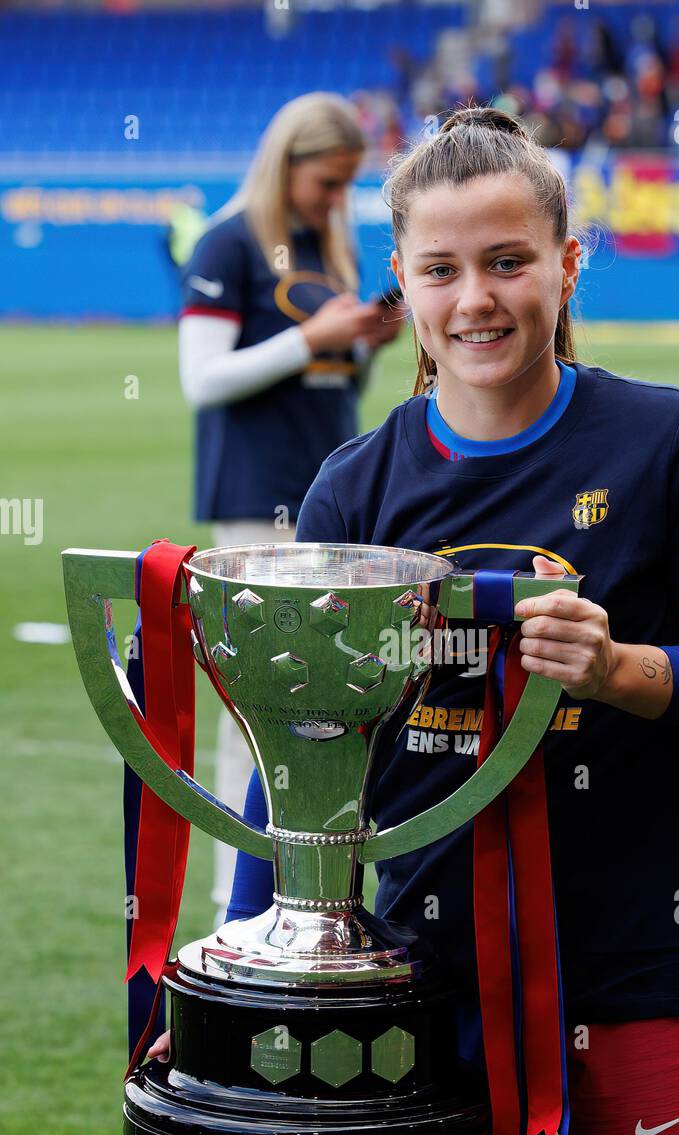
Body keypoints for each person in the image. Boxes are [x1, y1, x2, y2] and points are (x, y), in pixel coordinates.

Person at [152, 105, 679, 1135]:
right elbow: (298, 743)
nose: (476, 300)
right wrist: (245, 955)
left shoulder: (664, 440)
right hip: (425, 968)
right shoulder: (355, 484)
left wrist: (620, 669)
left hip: (635, 951)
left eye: (508, 261)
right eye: (441, 269)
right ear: (398, 280)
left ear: (566, 262)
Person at [177, 92, 402, 924]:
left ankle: (319, 889)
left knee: (335, 701)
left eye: (346, 185)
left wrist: (358, 344)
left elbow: (334, 392)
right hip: (253, 496)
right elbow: (203, 379)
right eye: (325, 181)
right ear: (287, 162)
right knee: (255, 706)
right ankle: (235, 908)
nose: (333, 199)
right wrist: (311, 338)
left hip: (335, 497)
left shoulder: (326, 244)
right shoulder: (229, 241)